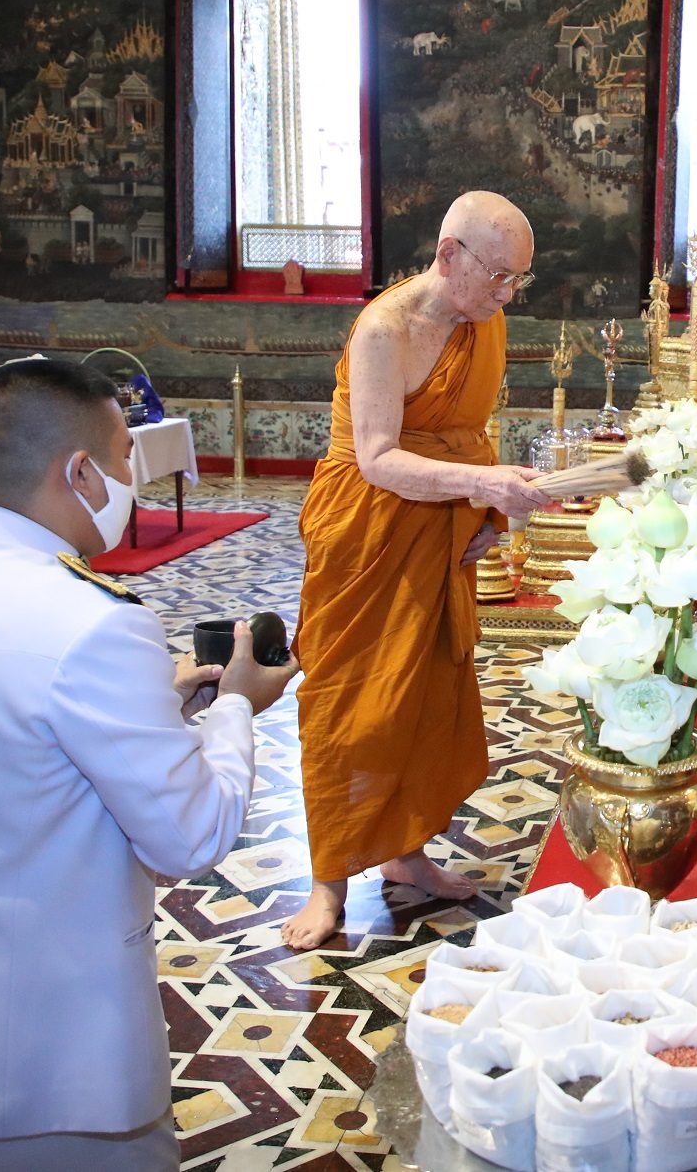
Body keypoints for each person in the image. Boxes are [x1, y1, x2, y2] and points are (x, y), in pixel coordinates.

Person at [0, 360, 297, 1171]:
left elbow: (8, 743)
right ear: (78, 472)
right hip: (39, 1067)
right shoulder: (95, 625)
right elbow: (191, 833)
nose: (131, 478)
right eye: (122, 458)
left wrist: (157, 705)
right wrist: (235, 707)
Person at [282, 190, 549, 951]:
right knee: (349, 700)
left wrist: (488, 517)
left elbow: (468, 433)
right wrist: (482, 487)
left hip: (439, 526)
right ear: (448, 255)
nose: (506, 295)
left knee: (428, 690)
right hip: (365, 530)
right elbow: (378, 458)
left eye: (516, 281)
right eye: (498, 275)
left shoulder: (483, 323)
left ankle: (408, 855)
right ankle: (326, 881)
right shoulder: (384, 329)